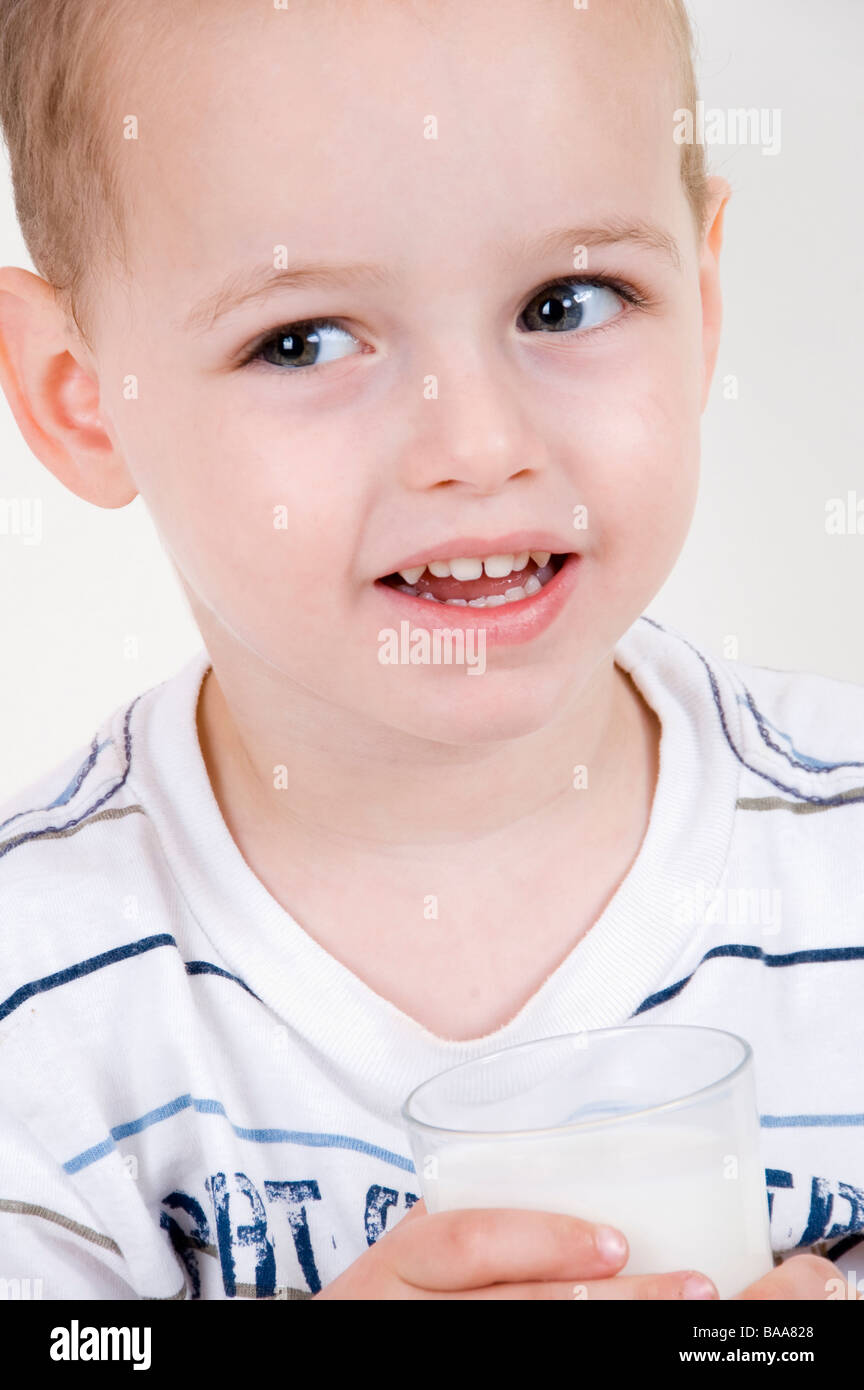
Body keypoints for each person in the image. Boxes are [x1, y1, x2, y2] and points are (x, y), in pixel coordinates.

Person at [0, 0, 860, 1301]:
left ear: (706, 298)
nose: (476, 441)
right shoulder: (39, 1001)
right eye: (303, 339)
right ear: (80, 392)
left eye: (569, 301)